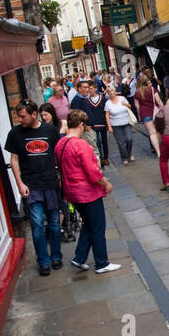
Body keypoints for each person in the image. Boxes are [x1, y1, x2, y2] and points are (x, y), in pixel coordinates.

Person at [56, 110, 121, 274]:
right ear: (80, 124)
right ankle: (102, 263)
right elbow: (93, 172)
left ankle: (79, 258)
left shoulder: (60, 144)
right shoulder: (81, 145)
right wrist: (106, 183)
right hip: (87, 192)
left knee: (88, 224)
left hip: (71, 192)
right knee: (98, 226)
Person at [5, 100, 63, 275]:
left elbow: (57, 154)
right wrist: (19, 183)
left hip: (51, 183)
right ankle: (43, 261)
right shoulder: (15, 133)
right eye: (18, 116)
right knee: (37, 224)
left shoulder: (49, 130)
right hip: (31, 185)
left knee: (53, 223)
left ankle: (56, 256)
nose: (20, 120)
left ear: (34, 114)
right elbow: (14, 159)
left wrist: (62, 176)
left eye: (23, 116)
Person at [71, 79, 110, 166]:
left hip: (90, 128)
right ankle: (97, 172)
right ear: (79, 89)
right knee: (94, 151)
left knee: (97, 146)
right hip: (86, 130)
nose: (87, 89)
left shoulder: (83, 99)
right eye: (85, 87)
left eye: (88, 87)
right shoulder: (77, 100)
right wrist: (85, 126)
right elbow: (76, 116)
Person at [104, 84, 137, 165]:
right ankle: (124, 157)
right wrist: (109, 127)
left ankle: (129, 154)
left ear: (115, 91)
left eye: (112, 91)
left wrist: (125, 104)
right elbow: (107, 115)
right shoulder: (107, 103)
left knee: (129, 139)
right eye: (109, 91)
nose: (111, 92)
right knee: (121, 142)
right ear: (108, 93)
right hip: (115, 125)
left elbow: (130, 106)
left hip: (126, 122)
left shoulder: (122, 98)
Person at [134, 72, 163, 156]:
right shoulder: (152, 89)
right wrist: (163, 108)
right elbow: (158, 101)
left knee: (152, 133)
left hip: (145, 114)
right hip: (155, 112)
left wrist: (140, 116)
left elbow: (137, 107)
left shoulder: (137, 93)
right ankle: (160, 147)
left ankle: (158, 152)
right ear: (146, 82)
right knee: (158, 132)